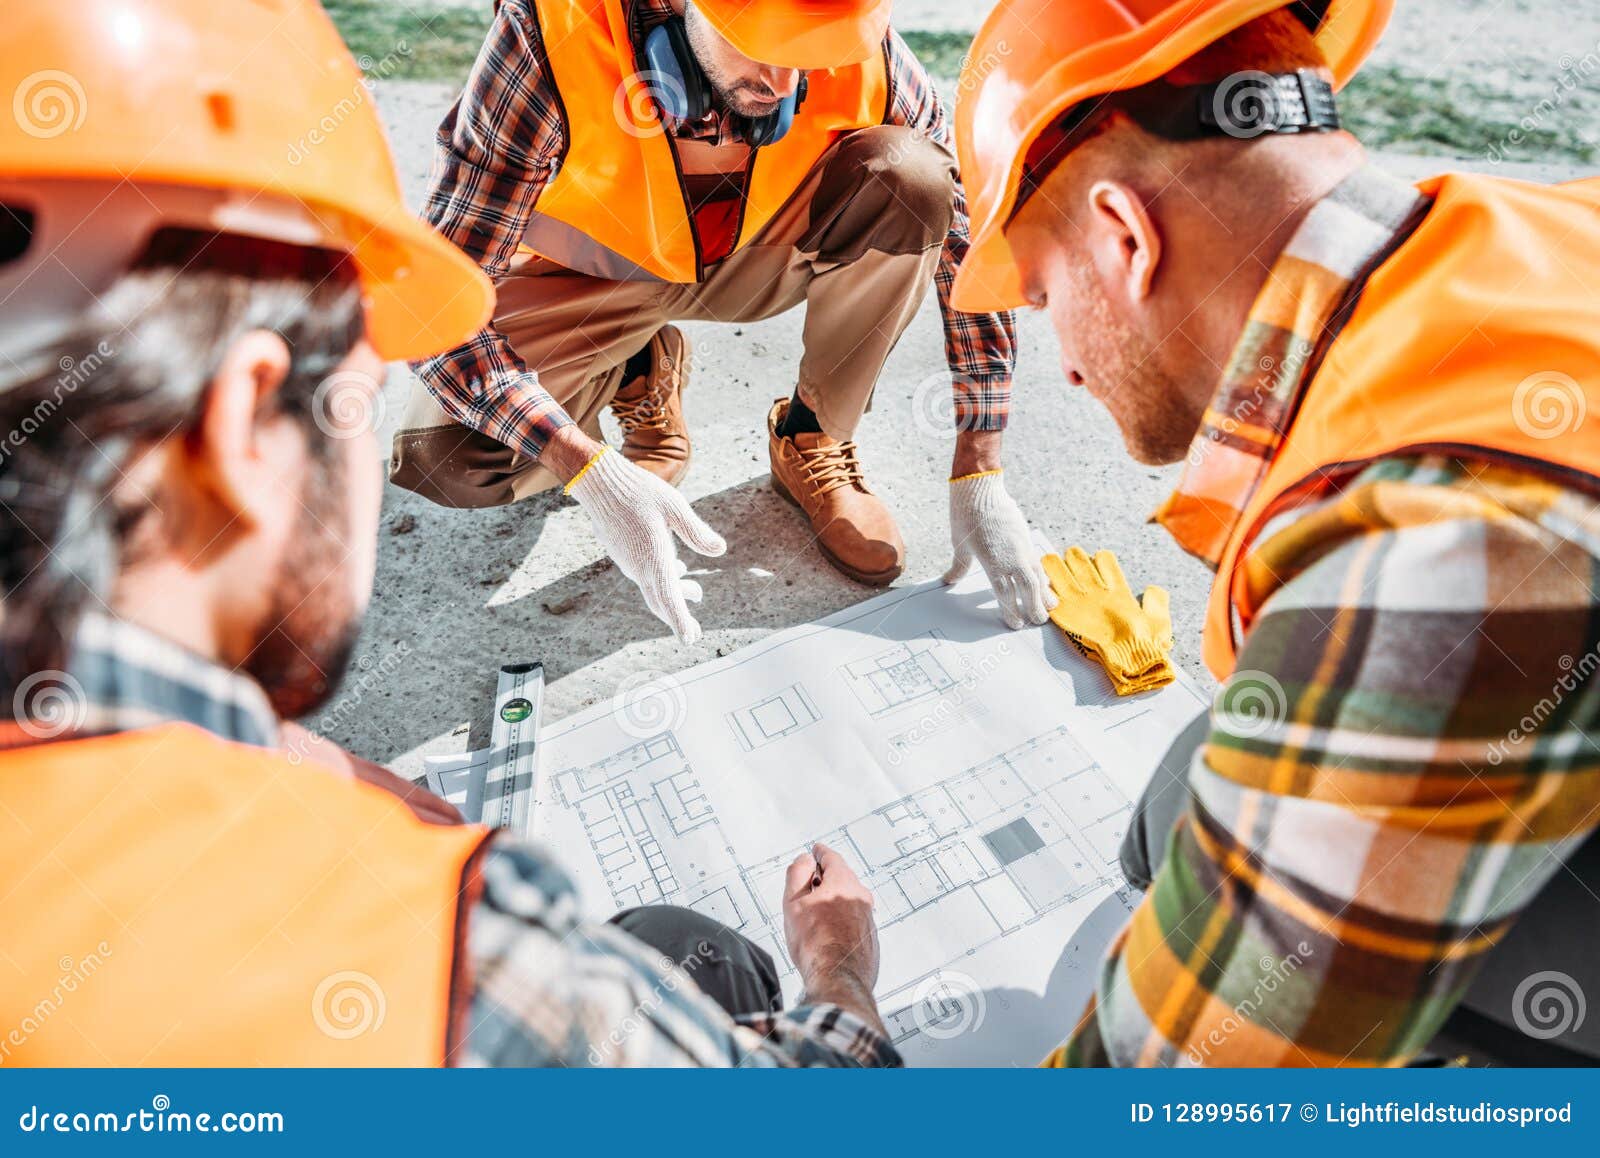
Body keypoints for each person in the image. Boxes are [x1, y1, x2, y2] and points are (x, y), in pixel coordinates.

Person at [0, 0, 893, 1068]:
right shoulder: (458, 960)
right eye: (352, 393)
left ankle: (678, 369)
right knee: (695, 957)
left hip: (725, 263)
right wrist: (840, 969)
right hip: (597, 283)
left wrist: (253, 753)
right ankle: (626, 355)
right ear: (242, 430)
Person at [952, 0, 1600, 1065]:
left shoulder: (1433, 549)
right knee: (1189, 796)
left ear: (1123, 237)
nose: (1060, 363)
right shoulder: (1545, 234)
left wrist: (842, 1007)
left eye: (1041, 294)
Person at [388, 0, 1057, 643]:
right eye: (765, 49)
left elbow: (969, 240)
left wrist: (980, 466)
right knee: (447, 459)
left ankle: (811, 437)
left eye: (807, 57)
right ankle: (634, 364)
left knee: (917, 179)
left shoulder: (854, 32)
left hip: (752, 259)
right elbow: (434, 305)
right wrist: (582, 463)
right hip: (589, 279)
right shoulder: (545, 38)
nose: (785, 86)